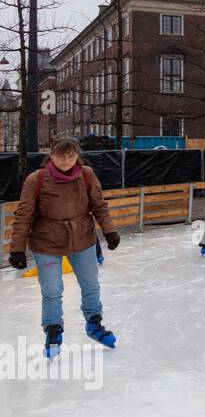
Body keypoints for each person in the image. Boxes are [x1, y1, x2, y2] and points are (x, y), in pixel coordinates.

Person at [8, 135, 122, 358]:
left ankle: (94, 323)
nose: (67, 160)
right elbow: (23, 215)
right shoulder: (36, 180)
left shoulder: (86, 175)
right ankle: (53, 331)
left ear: (77, 156)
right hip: (46, 242)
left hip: (82, 239)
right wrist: (17, 248)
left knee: (91, 285)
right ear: (51, 155)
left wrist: (109, 230)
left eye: (71, 155)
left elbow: (99, 205)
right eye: (61, 155)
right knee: (52, 291)